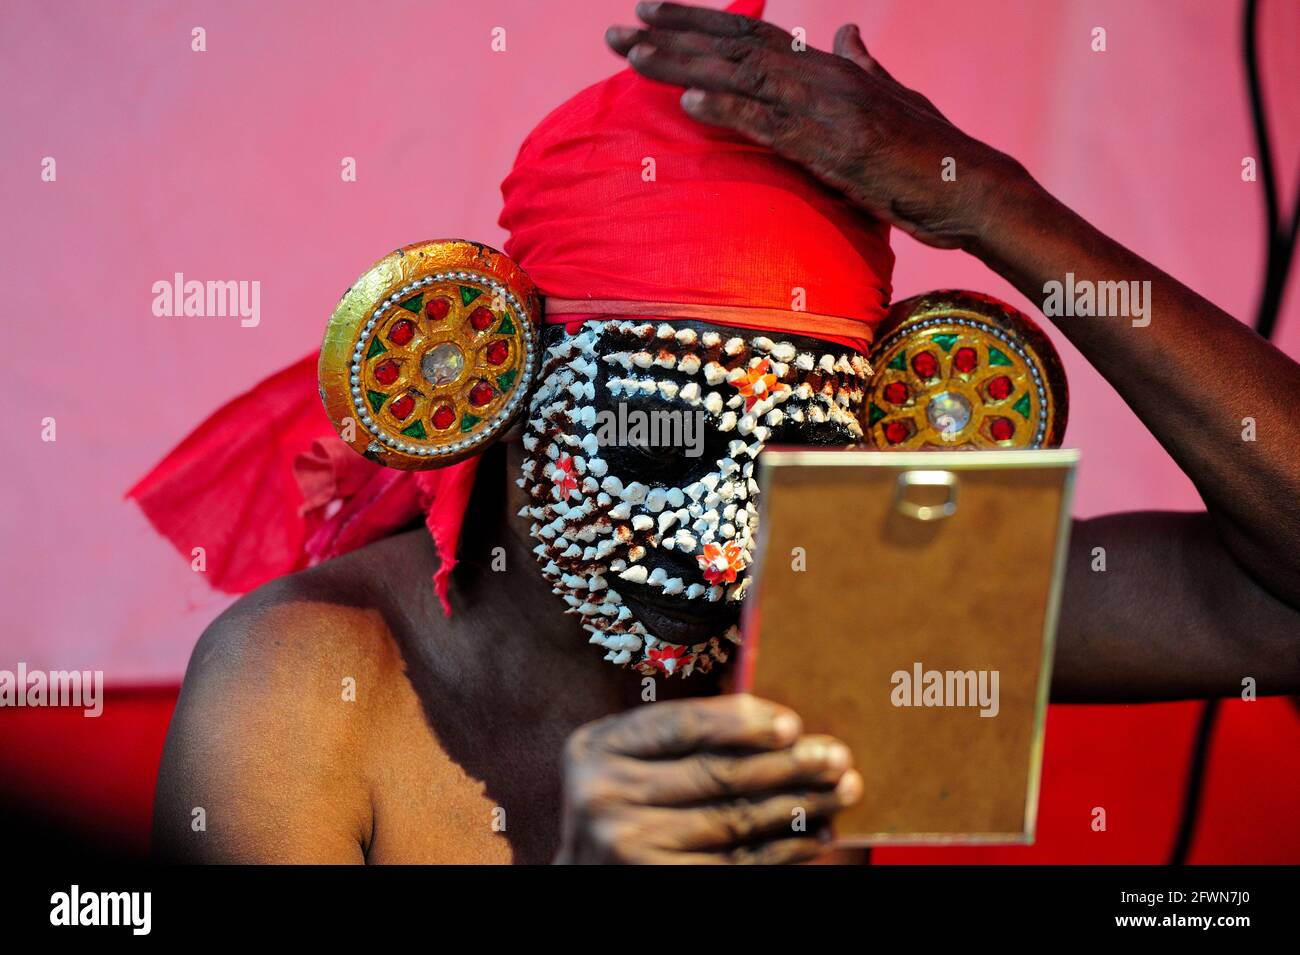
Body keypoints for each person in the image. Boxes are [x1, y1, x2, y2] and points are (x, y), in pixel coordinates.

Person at [147, 1, 1300, 864]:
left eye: (798, 458)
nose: (726, 547)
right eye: (659, 444)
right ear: (494, 387)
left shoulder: (854, 605)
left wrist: (993, 204)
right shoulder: (301, 688)